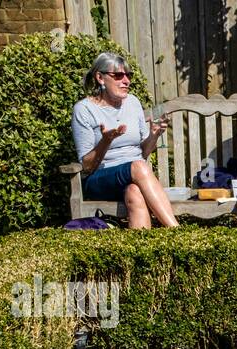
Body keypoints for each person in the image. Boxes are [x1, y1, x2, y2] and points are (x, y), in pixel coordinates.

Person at [71, 52, 178, 229]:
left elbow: (142, 153)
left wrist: (153, 136)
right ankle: (177, 231)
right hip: (100, 178)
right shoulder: (84, 110)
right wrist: (105, 141)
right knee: (139, 166)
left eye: (128, 75)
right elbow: (87, 166)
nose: (126, 81)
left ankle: (140, 252)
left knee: (134, 192)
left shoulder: (133, 102)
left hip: (134, 176)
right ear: (100, 78)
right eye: (119, 76)